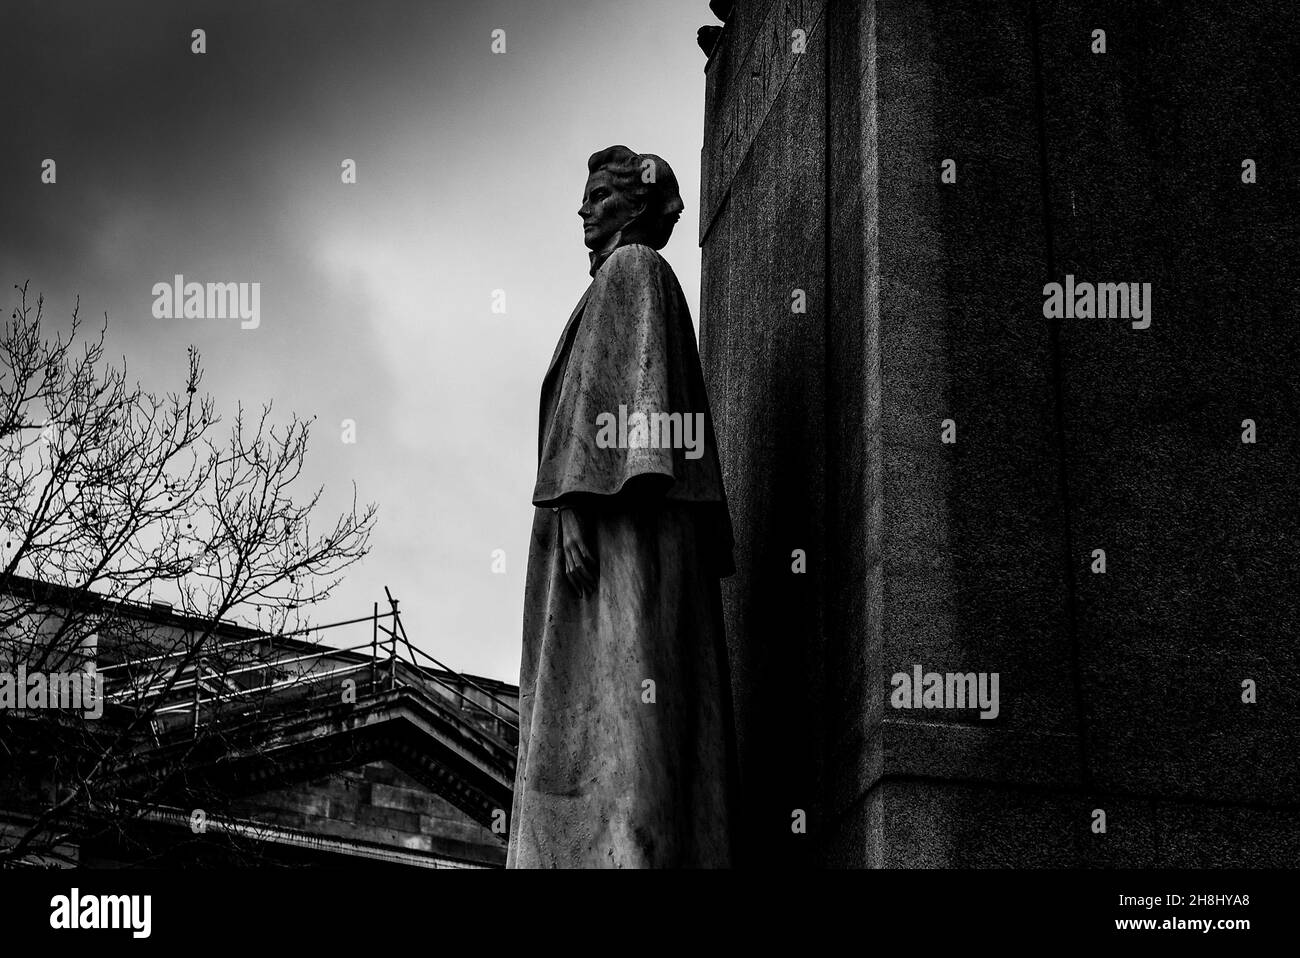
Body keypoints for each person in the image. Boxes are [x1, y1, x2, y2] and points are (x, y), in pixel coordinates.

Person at [506, 145, 739, 868]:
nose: (583, 210)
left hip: (621, 530)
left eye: (598, 196)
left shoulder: (634, 271)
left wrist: (576, 502)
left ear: (631, 206)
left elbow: (632, 408)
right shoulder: (616, 284)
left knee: (625, 724)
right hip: (607, 526)